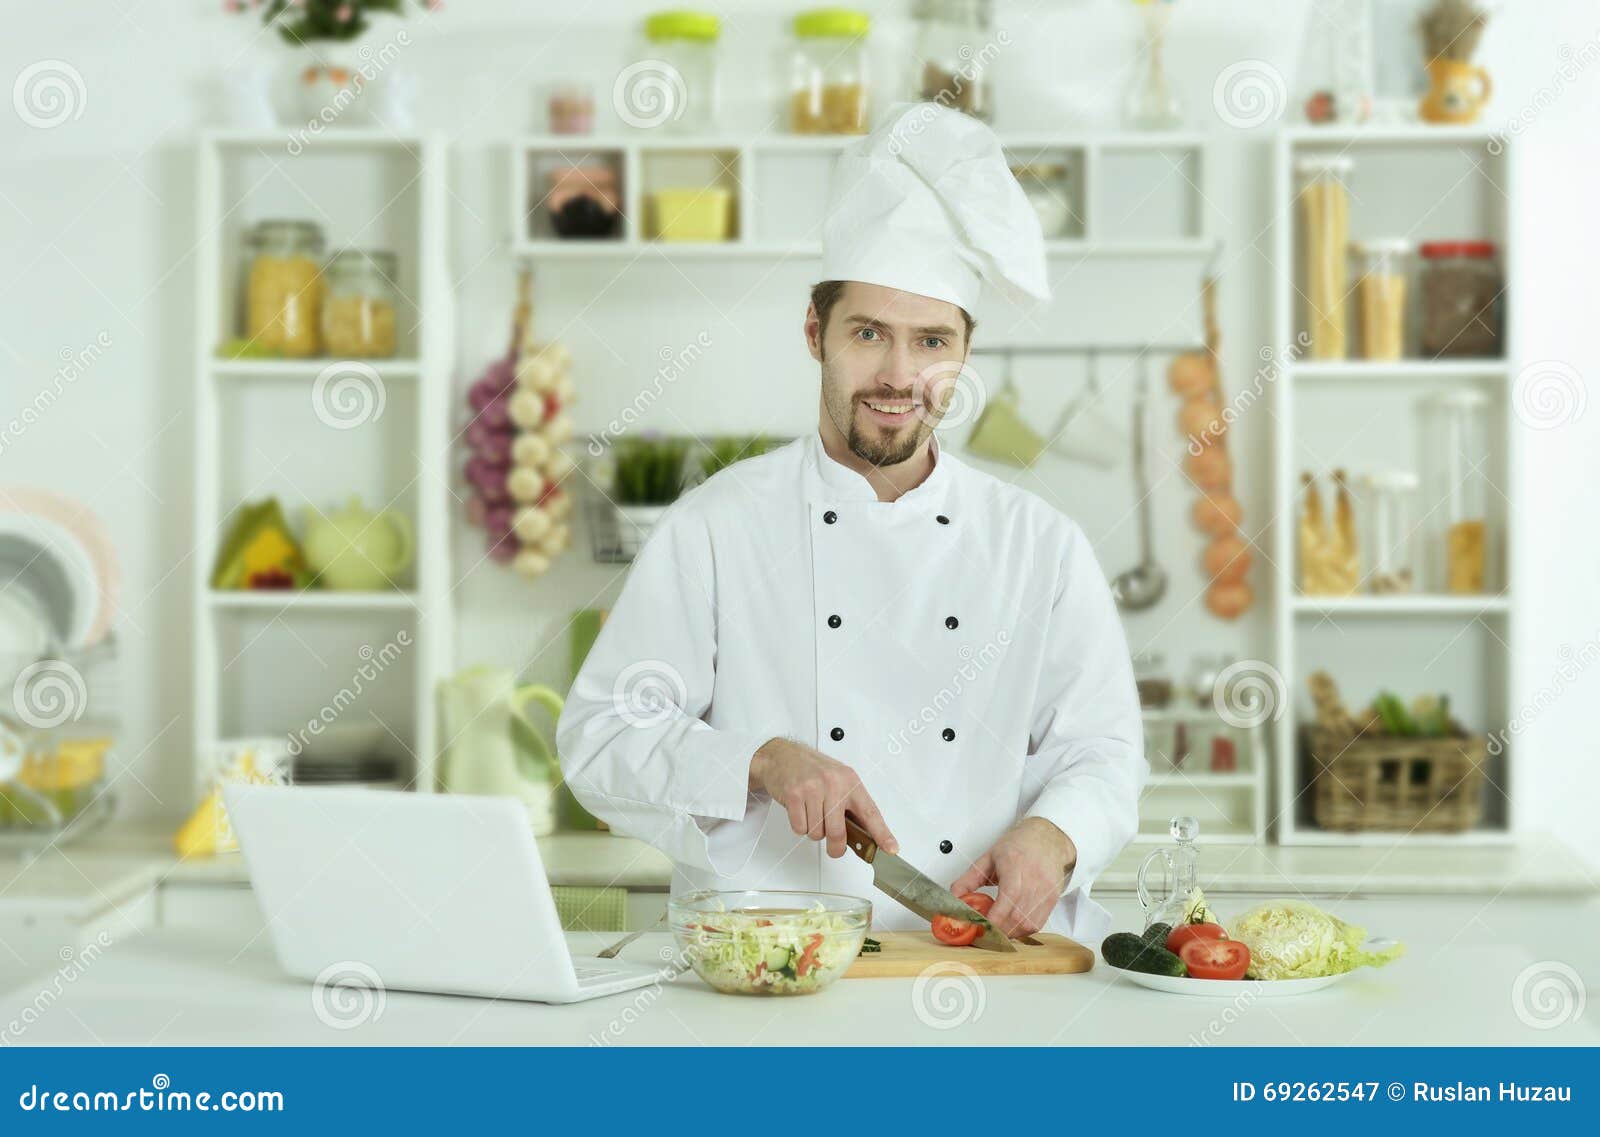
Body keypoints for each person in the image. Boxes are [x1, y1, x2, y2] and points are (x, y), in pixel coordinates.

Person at [558, 103, 1145, 942]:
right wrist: (757, 760)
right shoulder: (717, 528)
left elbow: (1104, 749)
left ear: (965, 355)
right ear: (814, 332)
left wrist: (1055, 837)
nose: (900, 375)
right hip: (769, 966)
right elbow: (601, 738)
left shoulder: (1039, 545)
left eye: (932, 341)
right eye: (868, 333)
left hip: (986, 962)